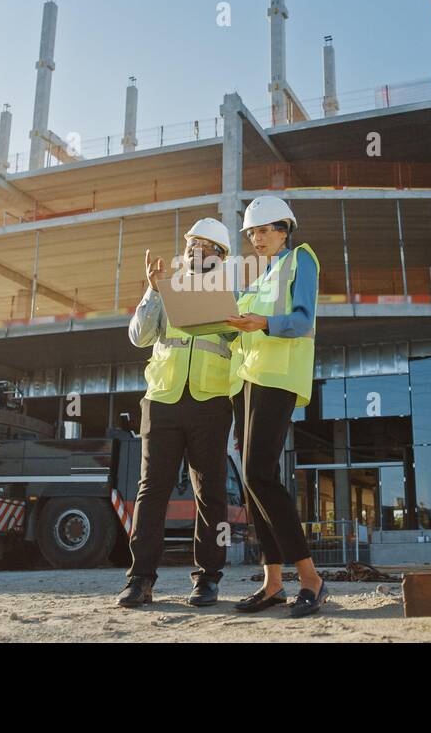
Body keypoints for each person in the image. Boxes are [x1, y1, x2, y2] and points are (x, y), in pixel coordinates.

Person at [116, 217, 238, 608]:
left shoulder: (231, 295)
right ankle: (139, 580)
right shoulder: (164, 291)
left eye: (204, 246)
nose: (193, 250)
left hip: (211, 403)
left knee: (211, 493)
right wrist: (152, 291)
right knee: (151, 491)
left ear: (220, 257)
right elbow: (139, 337)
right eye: (190, 244)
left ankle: (208, 579)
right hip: (163, 401)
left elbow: (242, 343)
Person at [225, 195, 327, 618]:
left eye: (265, 230)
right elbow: (247, 330)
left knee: (257, 473)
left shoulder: (300, 260)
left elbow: (302, 320)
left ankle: (311, 579)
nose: (257, 238)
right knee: (252, 482)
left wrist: (263, 322)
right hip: (247, 381)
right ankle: (272, 584)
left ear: (285, 230)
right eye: (252, 233)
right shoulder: (259, 277)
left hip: (278, 377)